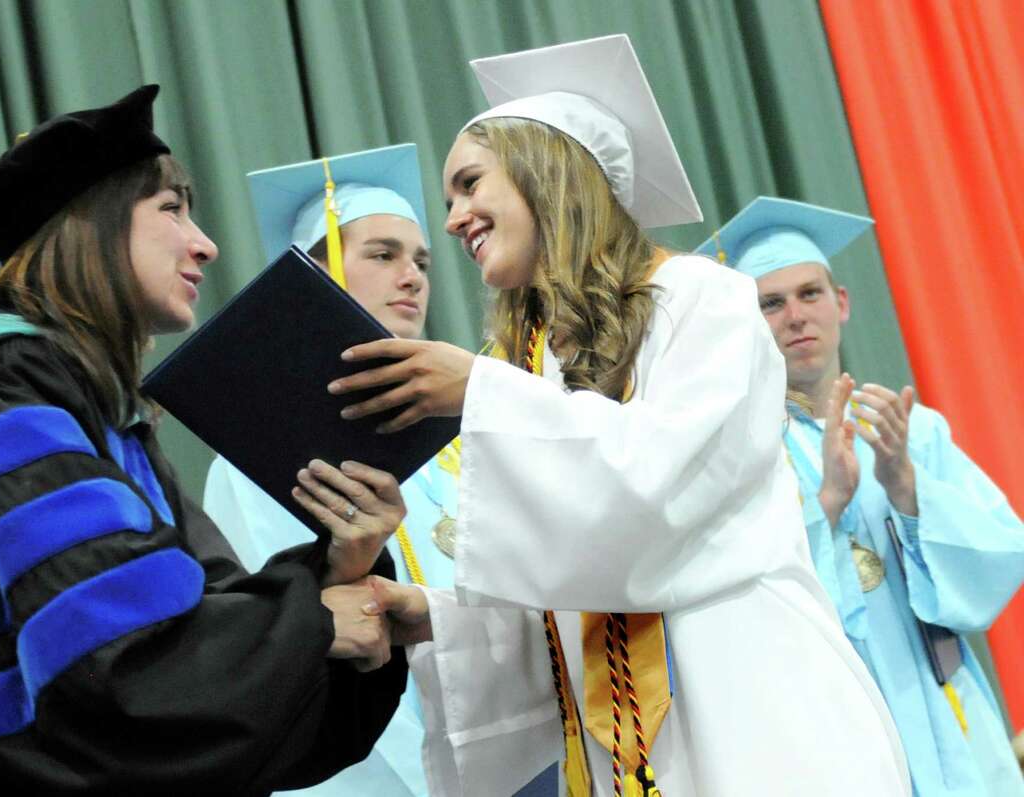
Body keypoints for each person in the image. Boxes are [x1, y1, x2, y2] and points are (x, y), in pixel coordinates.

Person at [326, 35, 912, 796]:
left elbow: (654, 493)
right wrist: (438, 613)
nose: (454, 219)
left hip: (760, 707)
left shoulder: (705, 301)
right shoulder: (529, 362)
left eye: (470, 184)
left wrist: (481, 391)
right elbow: (576, 574)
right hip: (625, 755)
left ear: (547, 170)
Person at [0, 85, 406, 796]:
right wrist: (311, 618)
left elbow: (185, 610)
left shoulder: (93, 406)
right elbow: (116, 663)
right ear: (90, 223)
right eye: (171, 208)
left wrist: (338, 568)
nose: (206, 243)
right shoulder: (8, 379)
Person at [203, 145, 557, 796]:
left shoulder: (468, 437)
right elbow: (291, 652)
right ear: (313, 274)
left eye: (421, 260)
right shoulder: (257, 463)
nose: (415, 276)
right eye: (383, 254)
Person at [695, 195, 1024, 796]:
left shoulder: (909, 430)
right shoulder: (742, 457)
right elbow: (737, 611)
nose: (795, 316)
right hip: (835, 727)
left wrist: (906, 485)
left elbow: (1000, 558)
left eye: (809, 293)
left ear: (841, 303)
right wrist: (825, 504)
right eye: (771, 304)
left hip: (947, 711)